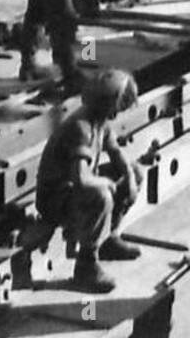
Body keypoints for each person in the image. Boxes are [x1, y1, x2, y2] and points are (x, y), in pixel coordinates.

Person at [36, 68, 145, 294]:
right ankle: (86, 265)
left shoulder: (99, 121)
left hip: (71, 189)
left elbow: (116, 153)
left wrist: (130, 178)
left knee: (134, 171)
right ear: (108, 103)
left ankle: (108, 239)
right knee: (101, 196)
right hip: (55, 199)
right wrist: (108, 184)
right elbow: (82, 179)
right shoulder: (81, 128)